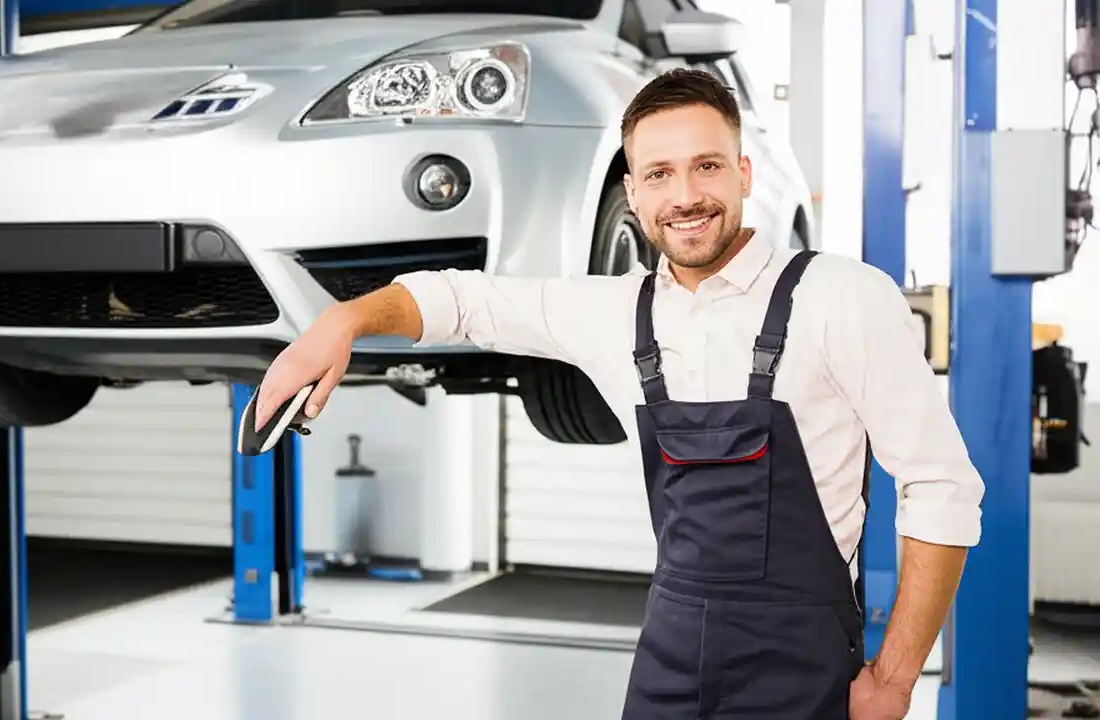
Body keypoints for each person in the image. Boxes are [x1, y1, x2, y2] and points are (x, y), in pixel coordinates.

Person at [253, 68, 983, 720]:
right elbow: (459, 299)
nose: (687, 195)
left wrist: (893, 682)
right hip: (668, 659)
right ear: (632, 193)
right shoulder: (613, 313)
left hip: (803, 667)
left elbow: (942, 486)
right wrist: (343, 321)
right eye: (659, 174)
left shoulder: (841, 298)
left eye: (706, 166)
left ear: (743, 172)